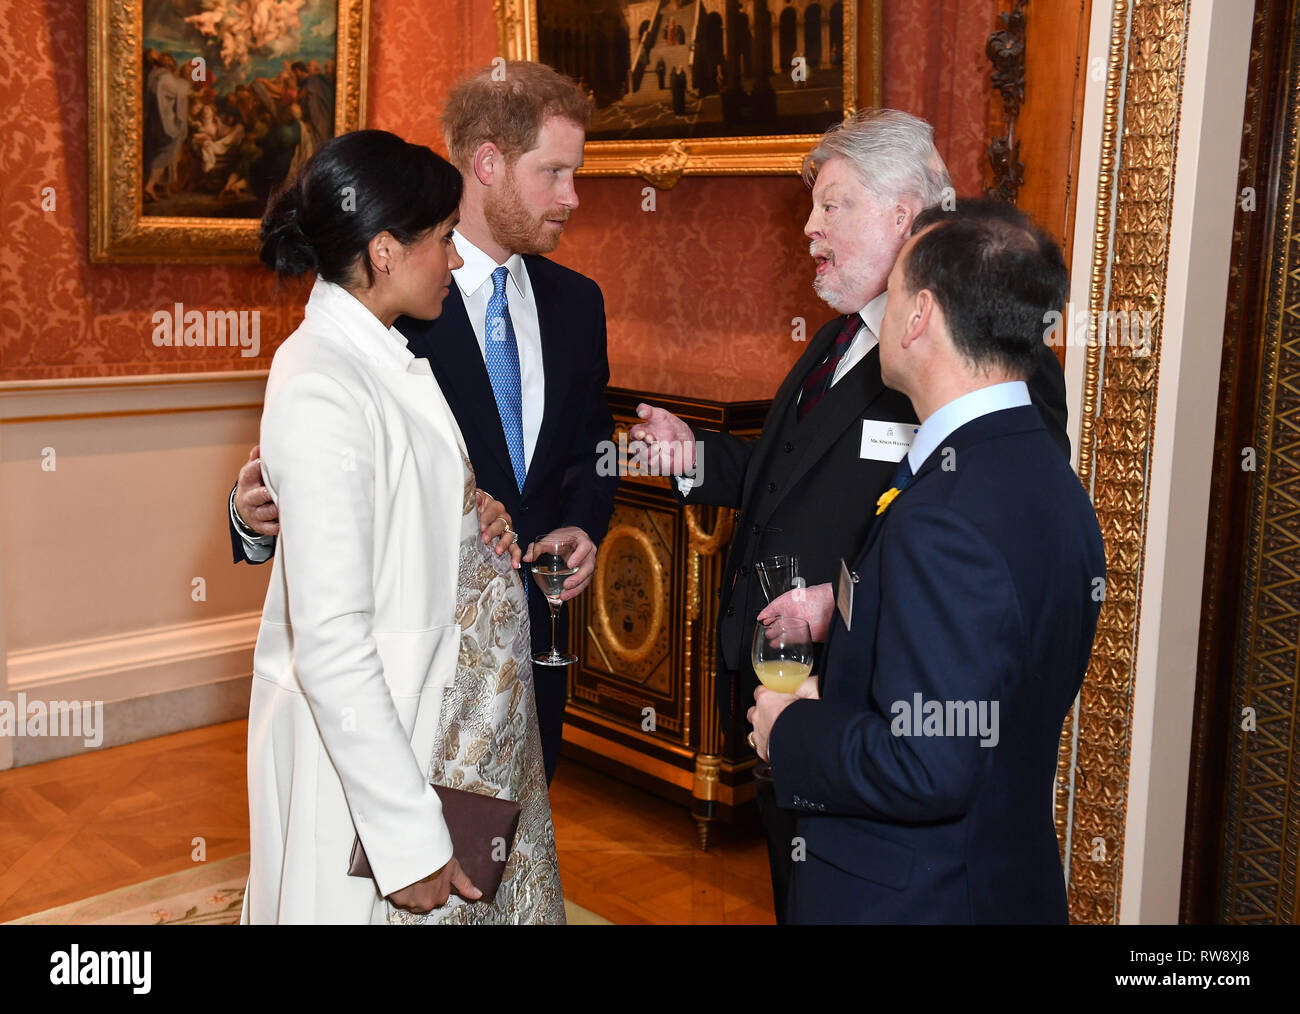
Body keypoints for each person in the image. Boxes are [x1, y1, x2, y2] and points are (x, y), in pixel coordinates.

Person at [627, 109, 1069, 924]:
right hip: (788, 694)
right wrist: (694, 457)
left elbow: (1002, 516)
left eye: (833, 205)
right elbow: (782, 475)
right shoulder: (836, 341)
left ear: (904, 214)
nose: (810, 228)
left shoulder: (986, 357)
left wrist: (853, 605)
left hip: (868, 722)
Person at [229, 61, 618, 785]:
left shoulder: (578, 302)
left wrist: (582, 524)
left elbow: (592, 444)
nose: (573, 196)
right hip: (412, 672)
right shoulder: (386, 306)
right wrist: (251, 511)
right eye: (556, 172)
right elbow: (312, 470)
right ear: (489, 163)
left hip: (538, 644)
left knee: (504, 869)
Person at [747, 199, 1105, 923]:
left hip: (919, 898)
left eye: (896, 292)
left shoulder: (947, 516)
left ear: (920, 318)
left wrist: (789, 730)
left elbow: (929, 764)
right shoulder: (1047, 475)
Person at [242, 129, 563, 925]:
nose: (456, 260)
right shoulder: (321, 382)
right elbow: (333, 639)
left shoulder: (381, 353)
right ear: (385, 250)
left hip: (443, 729)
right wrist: (407, 839)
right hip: (377, 756)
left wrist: (466, 516)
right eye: (447, 238)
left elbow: (397, 510)